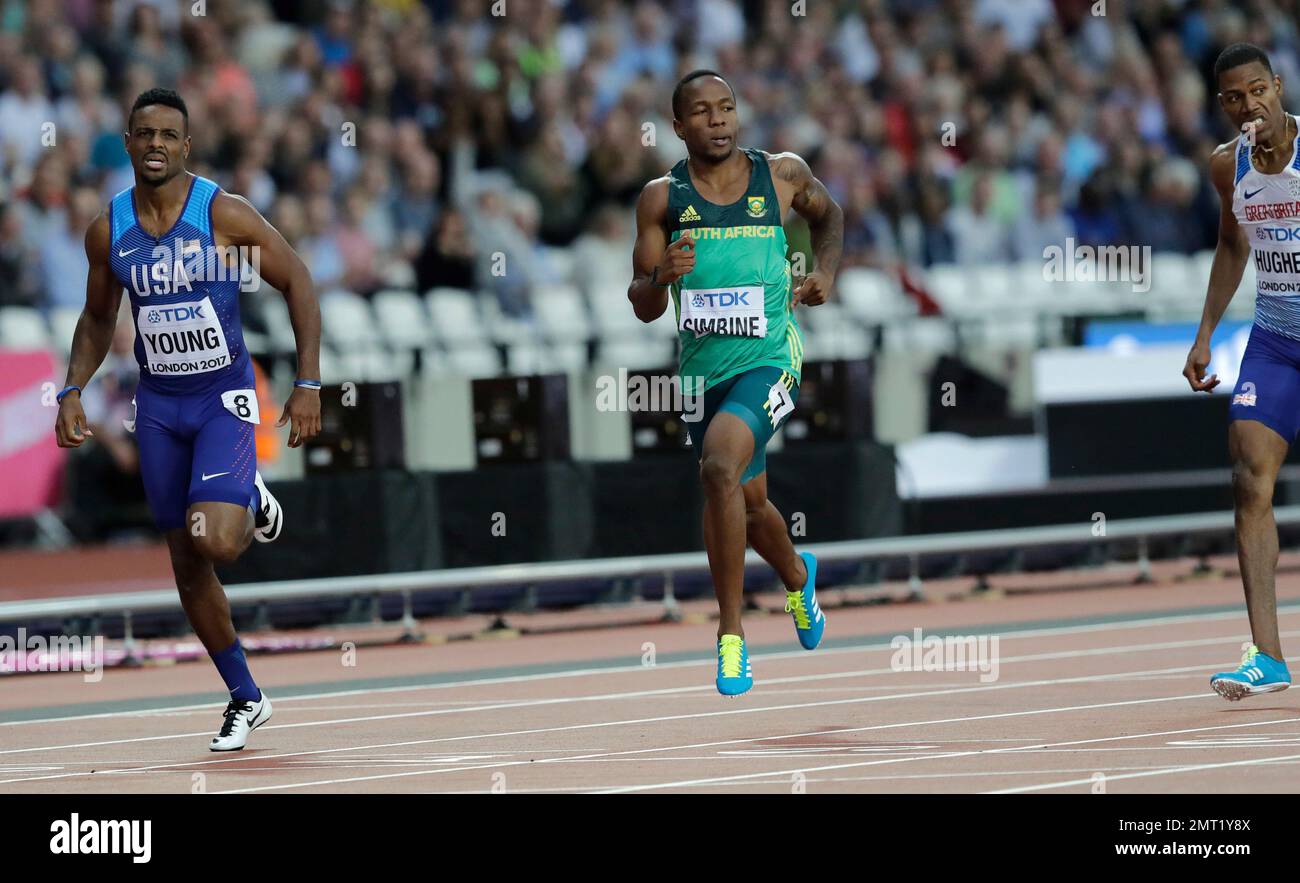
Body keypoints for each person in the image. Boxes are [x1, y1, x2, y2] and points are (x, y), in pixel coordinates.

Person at [54, 89, 323, 747]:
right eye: (144, 133)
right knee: (185, 565)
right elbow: (97, 318)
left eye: (168, 135)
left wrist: (309, 382)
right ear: (127, 141)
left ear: (186, 145)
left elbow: (299, 281)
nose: (156, 145)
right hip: (159, 406)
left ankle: (250, 495)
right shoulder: (108, 229)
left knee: (217, 540)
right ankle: (246, 695)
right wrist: (72, 388)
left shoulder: (223, 214)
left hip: (224, 399)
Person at [627, 70, 844, 696]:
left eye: (727, 108)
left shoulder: (781, 175)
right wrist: (661, 277)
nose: (718, 119)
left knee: (719, 469)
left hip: (772, 359)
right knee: (746, 507)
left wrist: (825, 272)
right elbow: (640, 303)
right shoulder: (659, 200)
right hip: (702, 374)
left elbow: (831, 219)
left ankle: (730, 638)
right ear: (679, 126)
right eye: (702, 111)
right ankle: (799, 578)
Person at [1184, 44, 1300, 700]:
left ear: (1278, 86)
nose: (1249, 104)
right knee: (1248, 477)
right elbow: (1233, 243)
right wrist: (1205, 333)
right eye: (1235, 96)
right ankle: (1269, 656)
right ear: (1223, 106)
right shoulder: (1228, 166)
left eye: (1259, 89)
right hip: (1277, 340)